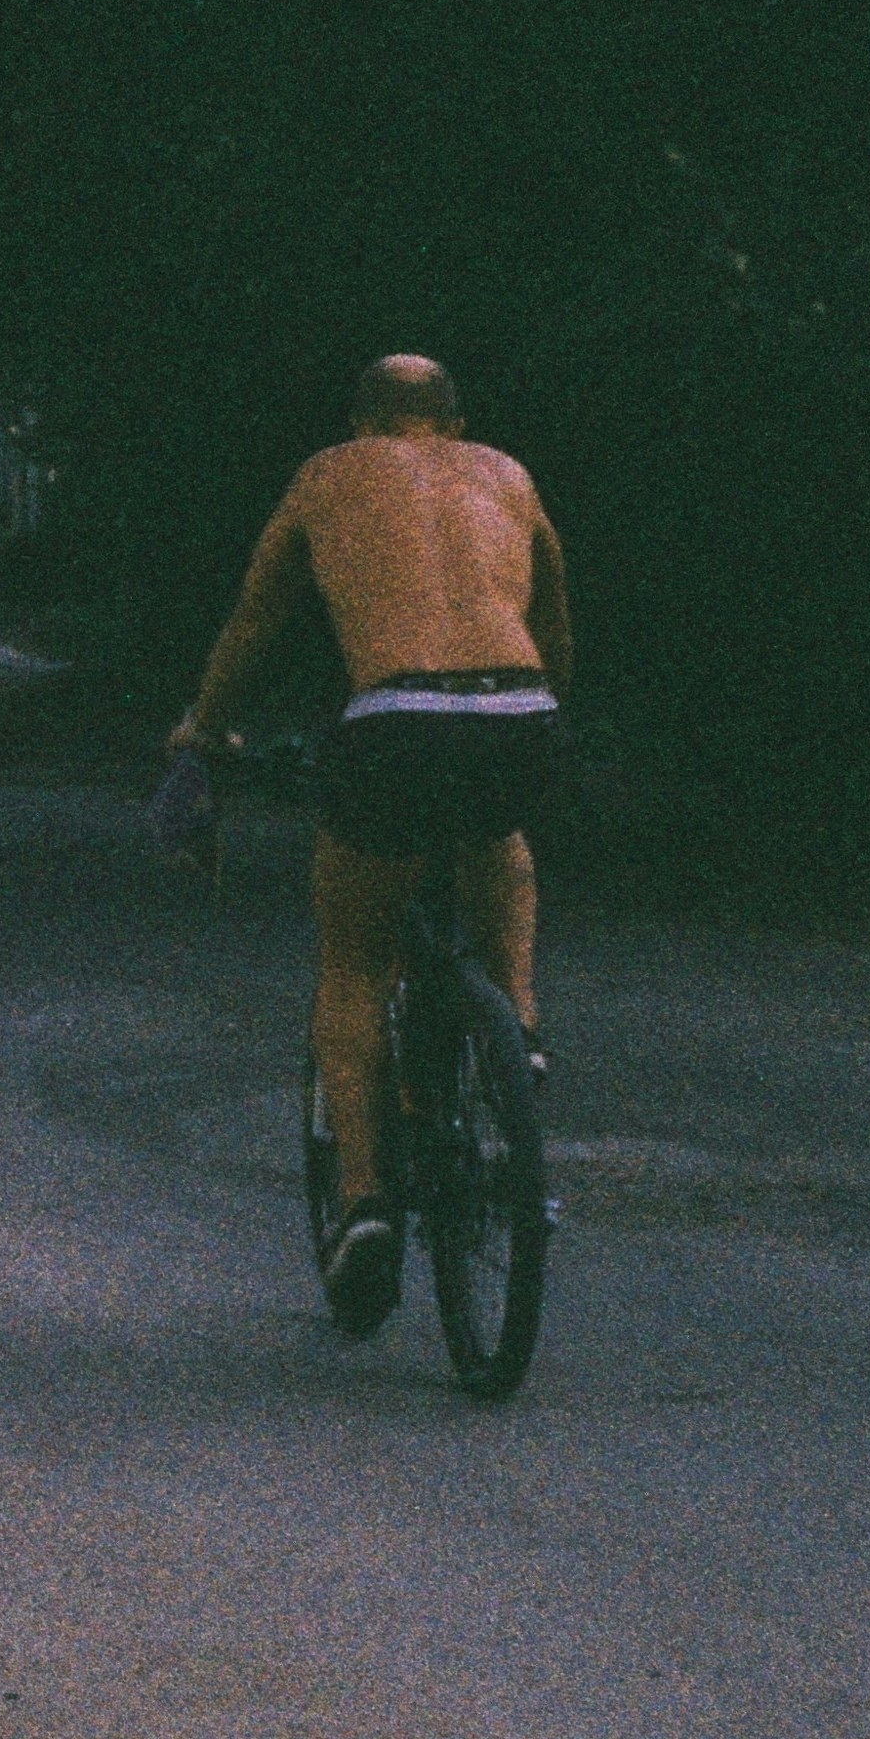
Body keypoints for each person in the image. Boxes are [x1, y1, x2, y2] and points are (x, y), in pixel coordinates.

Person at [166, 355, 570, 1330]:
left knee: (353, 960)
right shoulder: (507, 473)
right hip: (518, 708)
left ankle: (362, 1204)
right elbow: (552, 620)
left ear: (361, 422)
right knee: (496, 833)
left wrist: (205, 725)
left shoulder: (328, 473)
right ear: (455, 419)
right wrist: (538, 709)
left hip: (391, 720)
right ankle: (514, 1018)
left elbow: (258, 613)